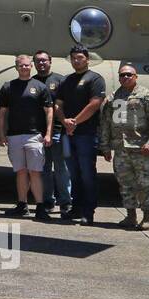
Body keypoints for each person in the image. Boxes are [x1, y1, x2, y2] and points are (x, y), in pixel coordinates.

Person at [99, 64, 149, 231]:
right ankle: (130, 216)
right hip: (121, 149)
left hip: (142, 149)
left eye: (129, 75)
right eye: (122, 75)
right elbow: (106, 123)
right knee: (125, 183)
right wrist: (105, 147)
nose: (125, 78)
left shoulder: (147, 96)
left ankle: (148, 216)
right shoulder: (113, 98)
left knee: (146, 184)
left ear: (136, 76)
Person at [0, 55, 54, 219]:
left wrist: (48, 133)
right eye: (21, 65)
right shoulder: (8, 87)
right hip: (14, 136)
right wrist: (1, 133)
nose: (24, 68)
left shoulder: (40, 87)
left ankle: (40, 206)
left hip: (34, 136)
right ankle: (22, 205)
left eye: (27, 65)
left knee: (35, 172)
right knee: (20, 172)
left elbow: (49, 111)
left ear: (32, 67)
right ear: (16, 67)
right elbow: (2, 113)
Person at [56, 45, 108, 226]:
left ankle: (88, 211)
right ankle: (76, 207)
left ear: (87, 59)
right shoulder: (66, 80)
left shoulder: (95, 79)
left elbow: (94, 104)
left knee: (87, 173)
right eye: (73, 58)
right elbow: (58, 105)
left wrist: (75, 122)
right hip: (67, 135)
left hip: (86, 134)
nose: (76, 61)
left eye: (79, 57)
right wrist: (65, 122)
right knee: (73, 173)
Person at [33, 49, 71, 217]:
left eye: (44, 60)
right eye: (38, 61)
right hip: (38, 134)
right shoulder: (31, 81)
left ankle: (66, 202)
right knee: (44, 169)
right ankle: (48, 201)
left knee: (62, 168)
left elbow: (67, 106)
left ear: (50, 61)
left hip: (58, 132)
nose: (41, 63)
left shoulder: (61, 81)